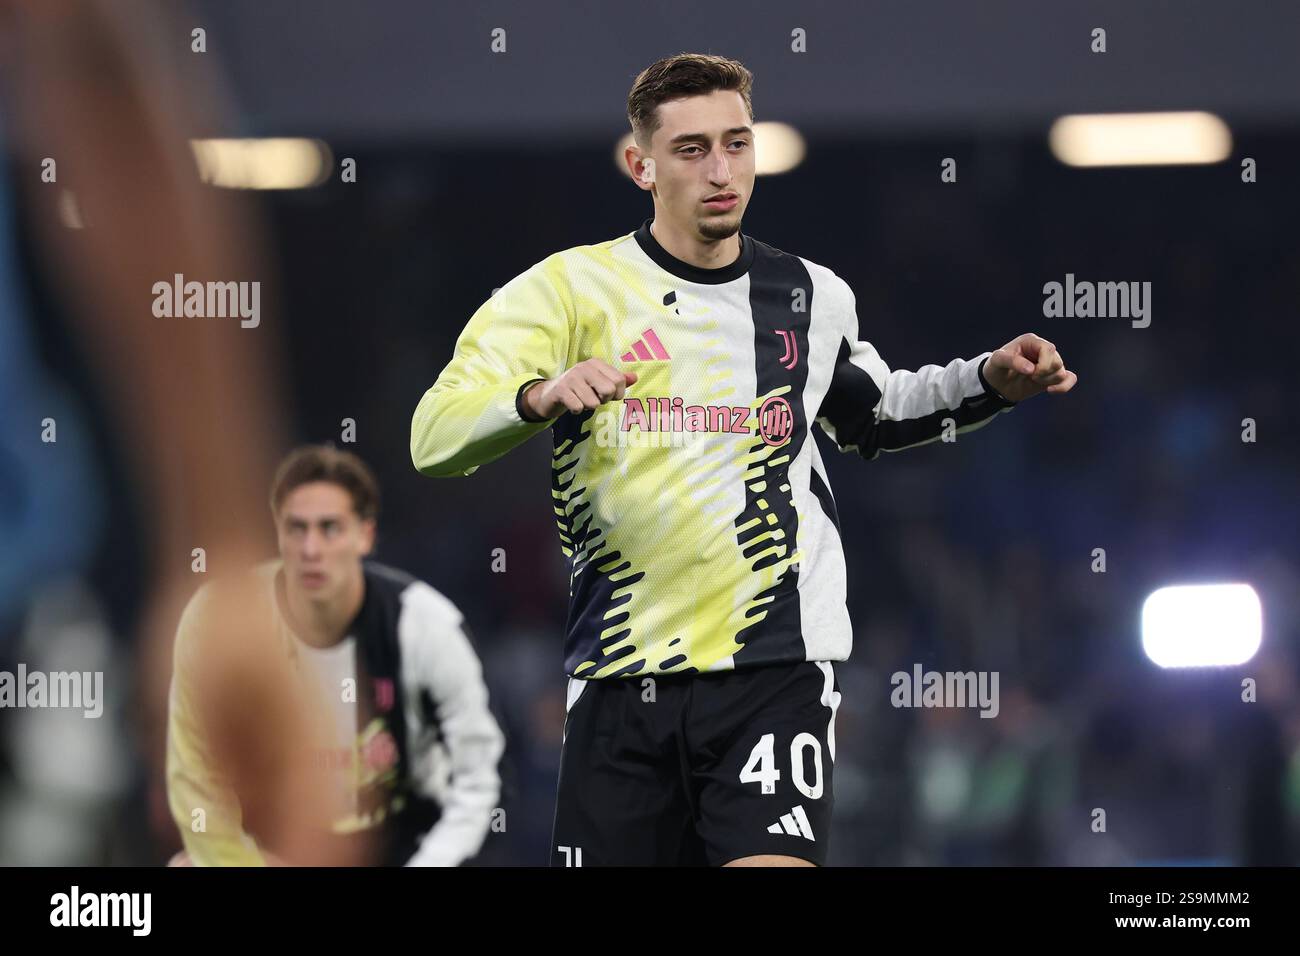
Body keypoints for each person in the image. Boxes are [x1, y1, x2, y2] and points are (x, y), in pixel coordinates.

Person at [409, 52, 1076, 867]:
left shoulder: (809, 295)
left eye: (737, 143)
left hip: (773, 668)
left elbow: (876, 415)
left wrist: (990, 380)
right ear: (640, 165)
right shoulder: (568, 292)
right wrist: (536, 396)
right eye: (692, 150)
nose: (721, 170)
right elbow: (433, 436)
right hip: (621, 680)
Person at [167, 445, 504, 866]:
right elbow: (198, 785)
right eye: (296, 529)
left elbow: (481, 785)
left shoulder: (427, 627)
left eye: (329, 529)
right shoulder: (218, 622)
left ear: (365, 534)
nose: (311, 549)